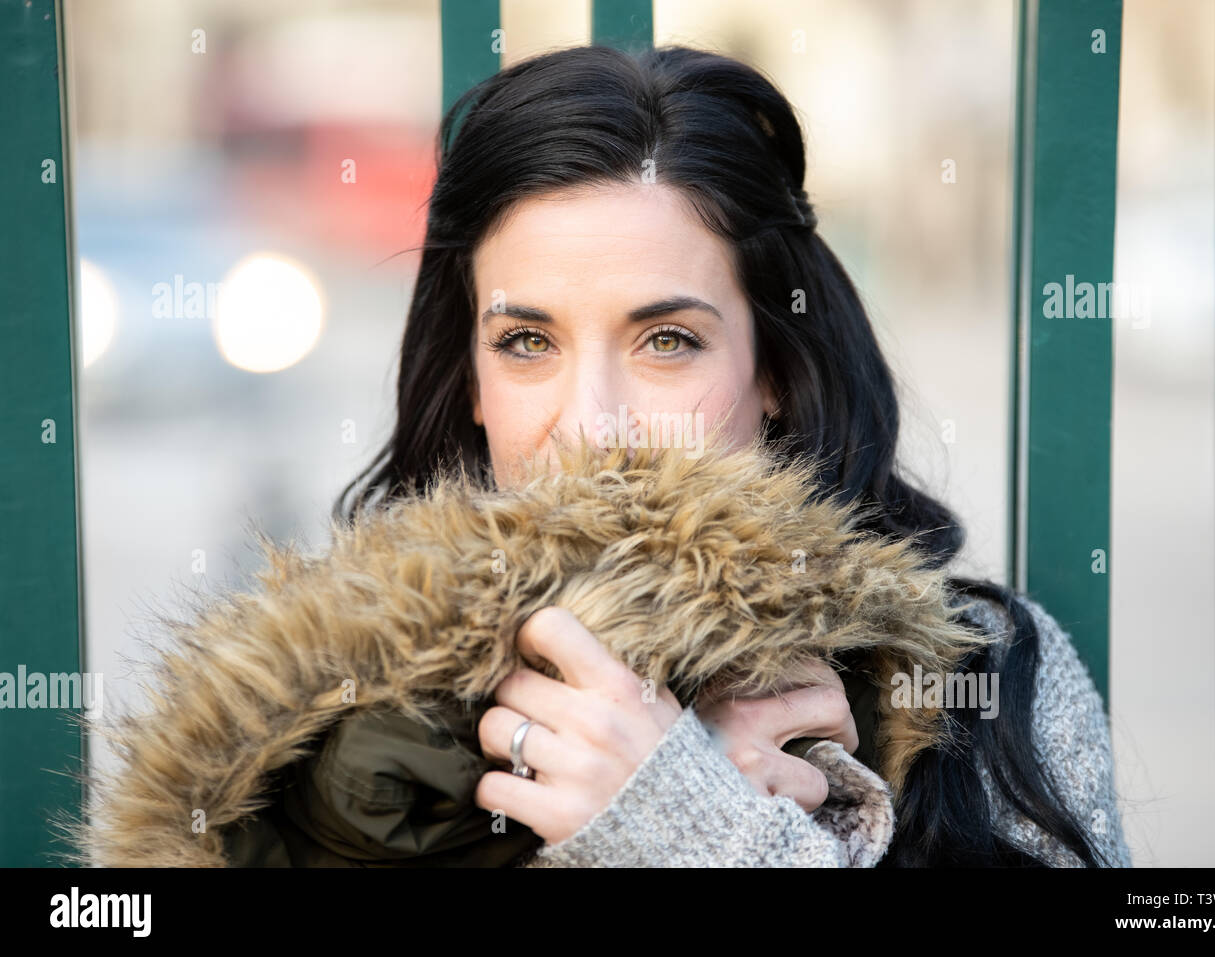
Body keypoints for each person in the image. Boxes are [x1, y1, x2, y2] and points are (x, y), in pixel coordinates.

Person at [332, 43, 1131, 867]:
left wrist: (699, 829)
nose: (594, 426)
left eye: (667, 340)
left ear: (775, 366)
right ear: (470, 379)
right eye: (527, 340)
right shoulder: (325, 708)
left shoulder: (981, 685)